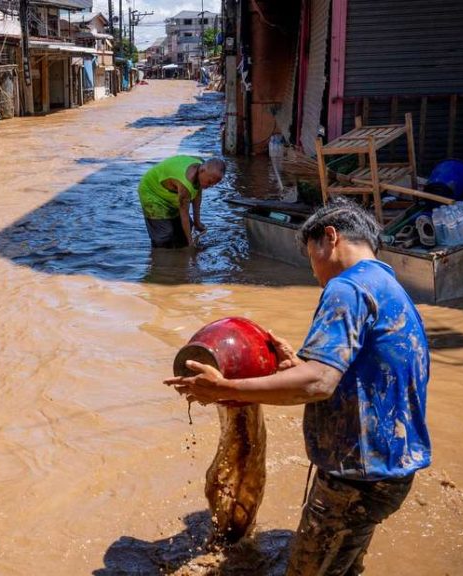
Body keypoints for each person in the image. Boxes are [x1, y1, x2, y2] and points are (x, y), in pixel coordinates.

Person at [165, 199, 431, 575]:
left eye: (311, 258)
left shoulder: (347, 288)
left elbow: (318, 384)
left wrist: (225, 388)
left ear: (331, 238)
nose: (315, 272)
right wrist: (299, 366)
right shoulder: (390, 288)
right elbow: (363, 375)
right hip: (389, 471)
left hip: (356, 478)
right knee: (343, 566)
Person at [138, 156, 225, 248]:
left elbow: (197, 195)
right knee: (164, 235)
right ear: (202, 170)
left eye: (213, 184)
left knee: (184, 230)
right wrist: (190, 243)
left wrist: (197, 222)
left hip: (169, 192)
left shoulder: (201, 167)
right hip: (151, 192)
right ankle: (158, 256)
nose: (210, 186)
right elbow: (184, 214)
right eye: (209, 182)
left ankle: (179, 252)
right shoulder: (185, 184)